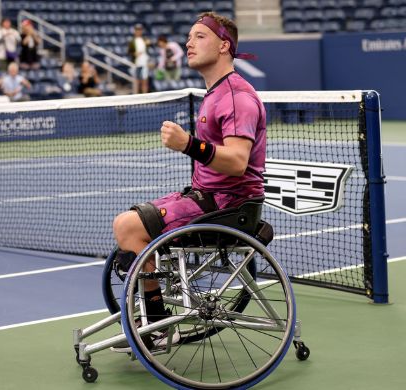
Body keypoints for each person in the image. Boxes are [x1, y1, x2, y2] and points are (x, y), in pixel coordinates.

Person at [110, 12, 265, 351]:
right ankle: (150, 313)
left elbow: (238, 162)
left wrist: (188, 144)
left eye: (199, 36)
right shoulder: (217, 93)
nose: (188, 43)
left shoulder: (237, 97)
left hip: (228, 206)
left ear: (224, 46)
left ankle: (155, 327)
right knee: (129, 225)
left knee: (129, 227)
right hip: (208, 197)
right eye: (189, 37)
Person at [126, 24, 151, 94]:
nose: (138, 31)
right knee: (136, 81)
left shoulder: (145, 40)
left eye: (140, 30)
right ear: (134, 31)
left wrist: (149, 43)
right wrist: (134, 54)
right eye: (137, 30)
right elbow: (129, 52)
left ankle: (145, 96)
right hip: (136, 63)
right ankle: (136, 96)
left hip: (144, 63)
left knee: (145, 81)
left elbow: (148, 49)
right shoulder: (132, 41)